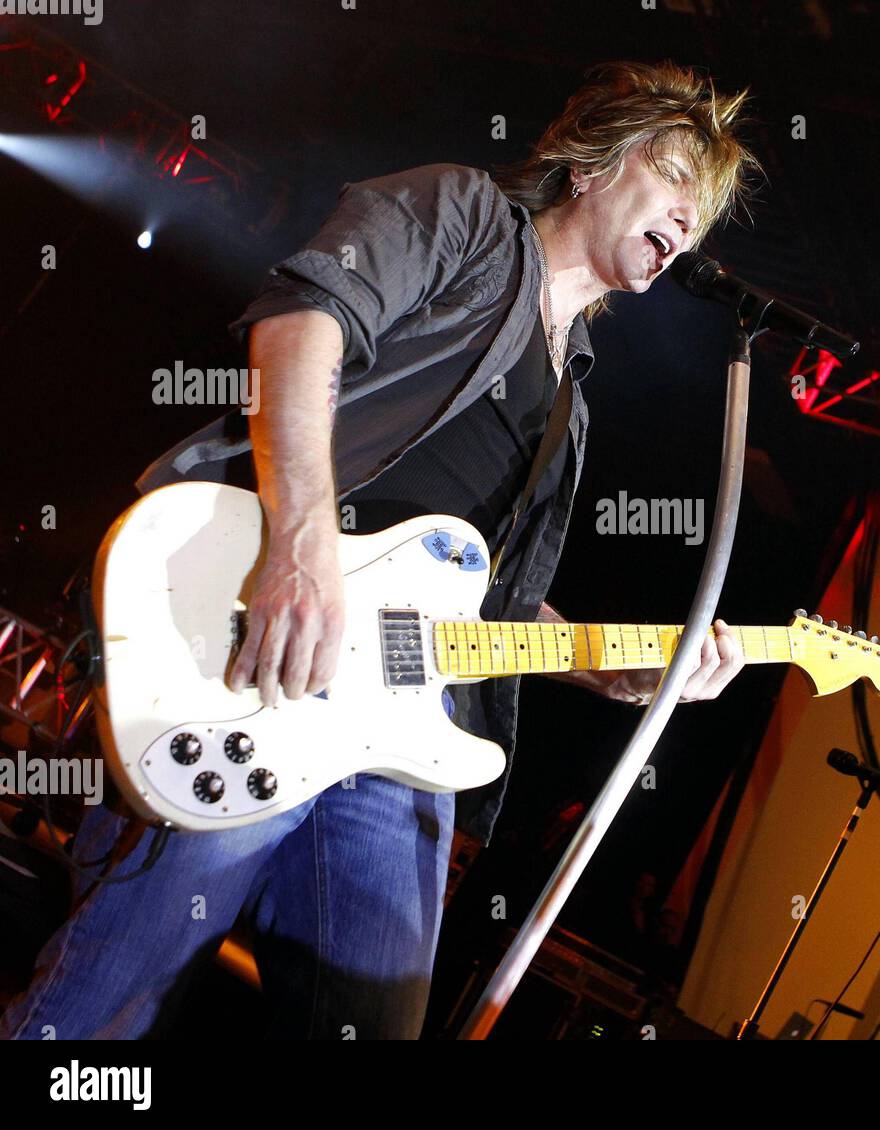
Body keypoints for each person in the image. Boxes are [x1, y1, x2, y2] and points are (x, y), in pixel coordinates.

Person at [0, 60, 759, 1039]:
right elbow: (300, 321)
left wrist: (605, 662)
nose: (687, 227)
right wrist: (302, 545)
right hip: (258, 663)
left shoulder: (573, 400)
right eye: (675, 186)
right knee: (112, 998)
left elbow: (481, 607)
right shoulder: (465, 218)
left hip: (394, 746)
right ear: (591, 165)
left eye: (704, 218)